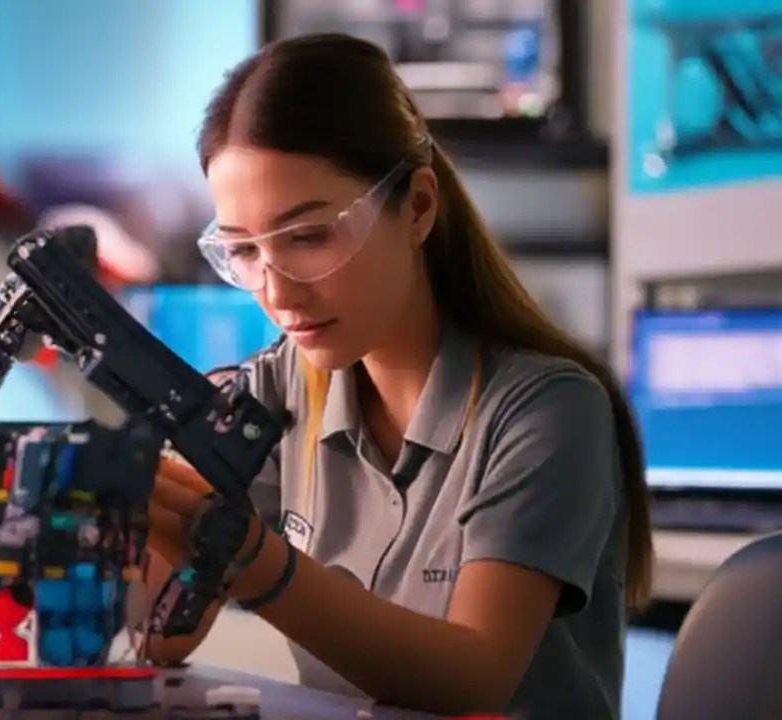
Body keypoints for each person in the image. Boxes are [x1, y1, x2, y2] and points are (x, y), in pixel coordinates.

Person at [142, 33, 653, 719]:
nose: (277, 292)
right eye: (242, 251)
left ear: (416, 207)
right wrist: (143, 520)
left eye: (309, 236)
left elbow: (474, 679)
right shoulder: (273, 393)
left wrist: (257, 564)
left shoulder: (546, 411)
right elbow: (159, 642)